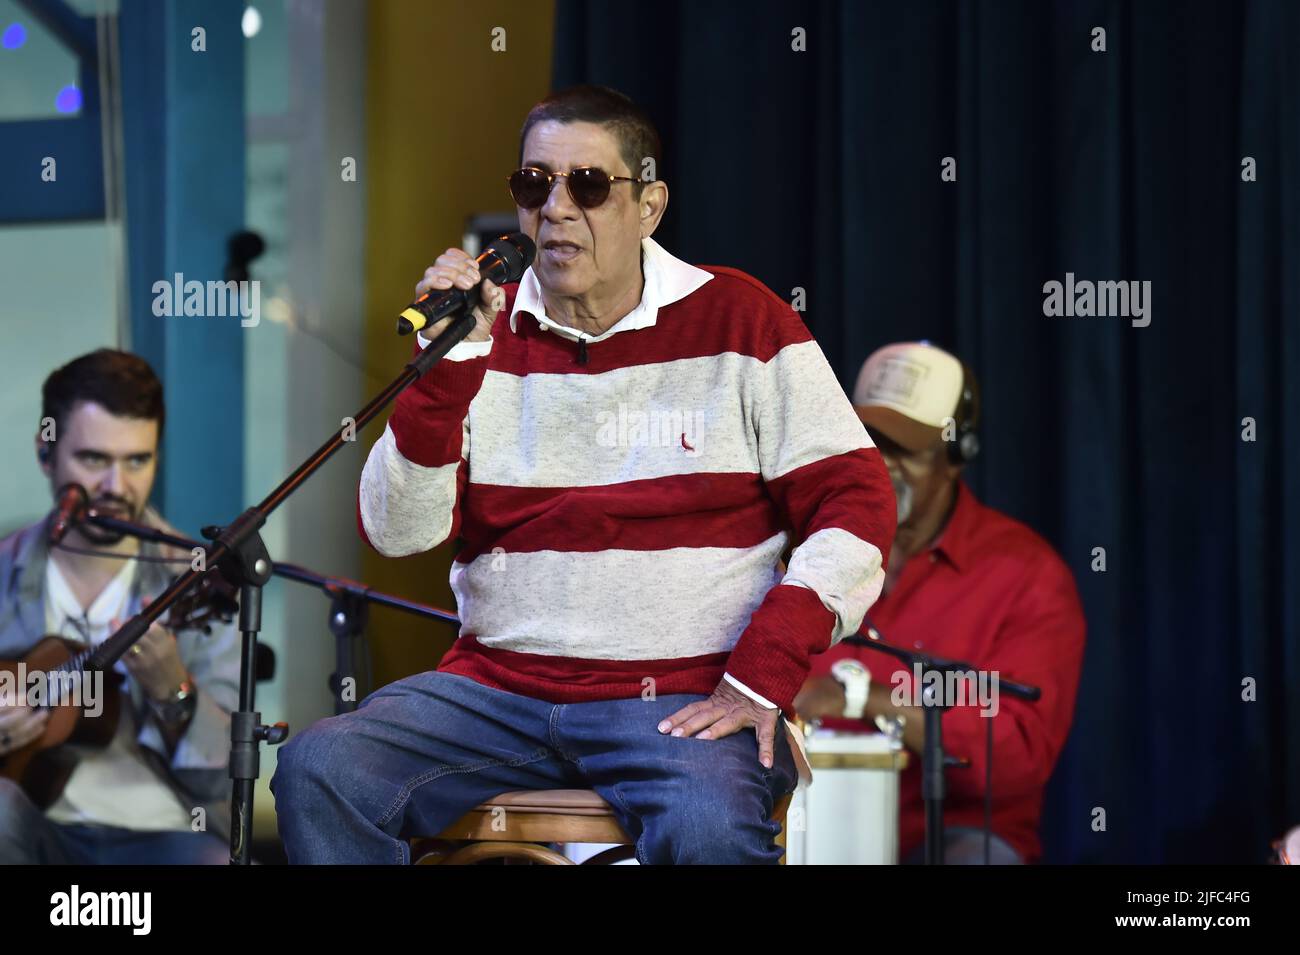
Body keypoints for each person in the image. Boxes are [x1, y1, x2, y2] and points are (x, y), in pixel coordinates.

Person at [271, 84, 897, 864]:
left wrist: (762, 670)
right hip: (497, 691)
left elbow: (857, 503)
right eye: (535, 184)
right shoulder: (477, 335)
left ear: (650, 206)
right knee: (319, 768)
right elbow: (399, 533)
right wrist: (448, 365)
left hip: (678, 697)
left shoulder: (742, 319)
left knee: (711, 827)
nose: (557, 208)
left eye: (589, 185)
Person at [795, 341, 1086, 864]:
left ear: (958, 455)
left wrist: (865, 701)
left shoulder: (1027, 574)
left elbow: (1017, 760)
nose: (881, 465)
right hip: (802, 827)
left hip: (946, 839)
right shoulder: (802, 549)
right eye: (870, 441)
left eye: (904, 447)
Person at [0, 349, 239, 864]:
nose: (116, 487)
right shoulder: (3, 568)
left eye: (137, 460)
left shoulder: (193, 580)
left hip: (167, 834)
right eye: (93, 460)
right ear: (47, 453)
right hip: (33, 829)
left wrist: (173, 692)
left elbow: (224, 777)